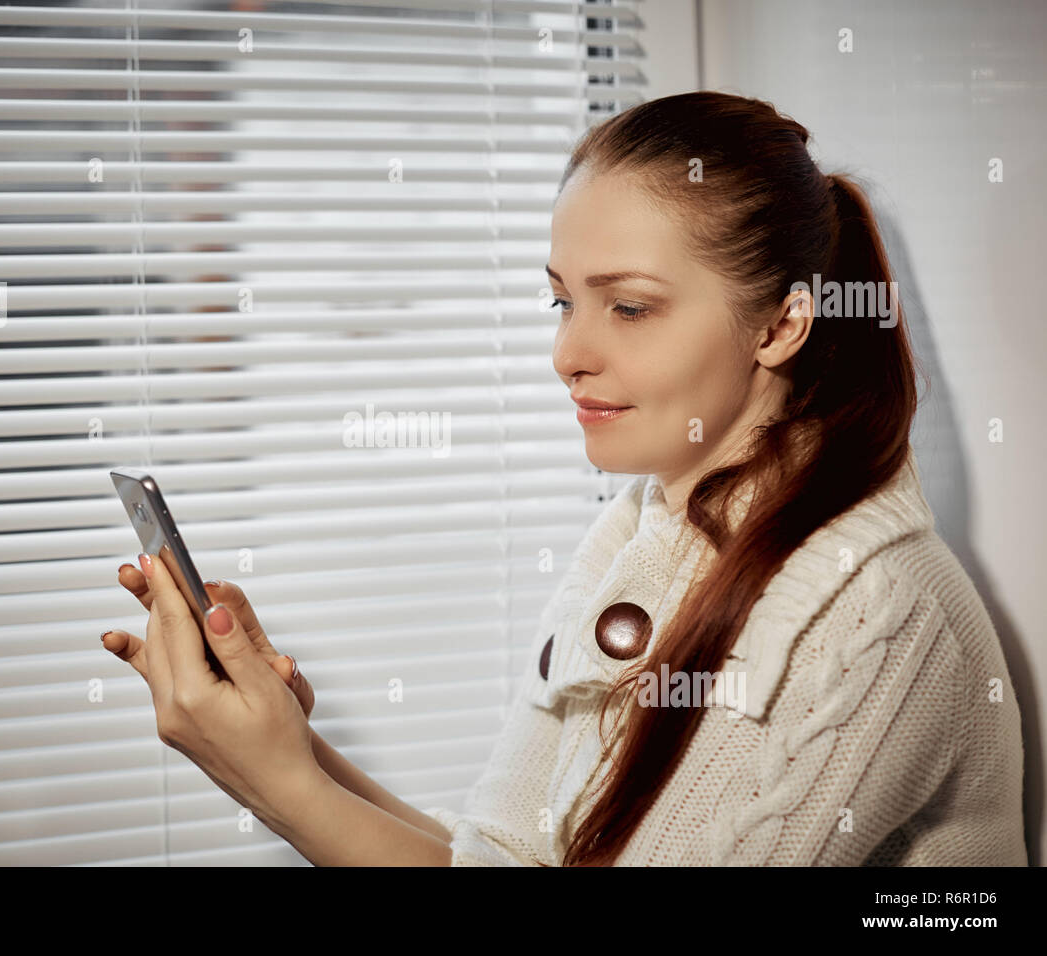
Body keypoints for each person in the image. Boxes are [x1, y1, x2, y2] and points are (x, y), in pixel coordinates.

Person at [102, 91, 1028, 866]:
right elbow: (503, 856)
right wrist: (286, 749)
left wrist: (279, 784)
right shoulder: (645, 529)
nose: (567, 353)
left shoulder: (872, 611)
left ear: (781, 326)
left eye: (628, 307)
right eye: (563, 300)